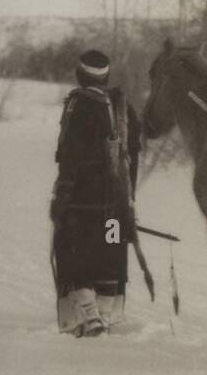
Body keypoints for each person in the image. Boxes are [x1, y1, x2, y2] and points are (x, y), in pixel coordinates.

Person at [50, 49, 141, 337]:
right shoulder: (124, 107)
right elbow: (133, 155)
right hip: (116, 202)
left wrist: (62, 196)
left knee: (76, 251)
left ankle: (89, 318)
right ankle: (105, 313)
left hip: (83, 200)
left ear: (80, 74)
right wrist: (127, 199)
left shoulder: (78, 105)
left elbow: (70, 155)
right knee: (110, 251)